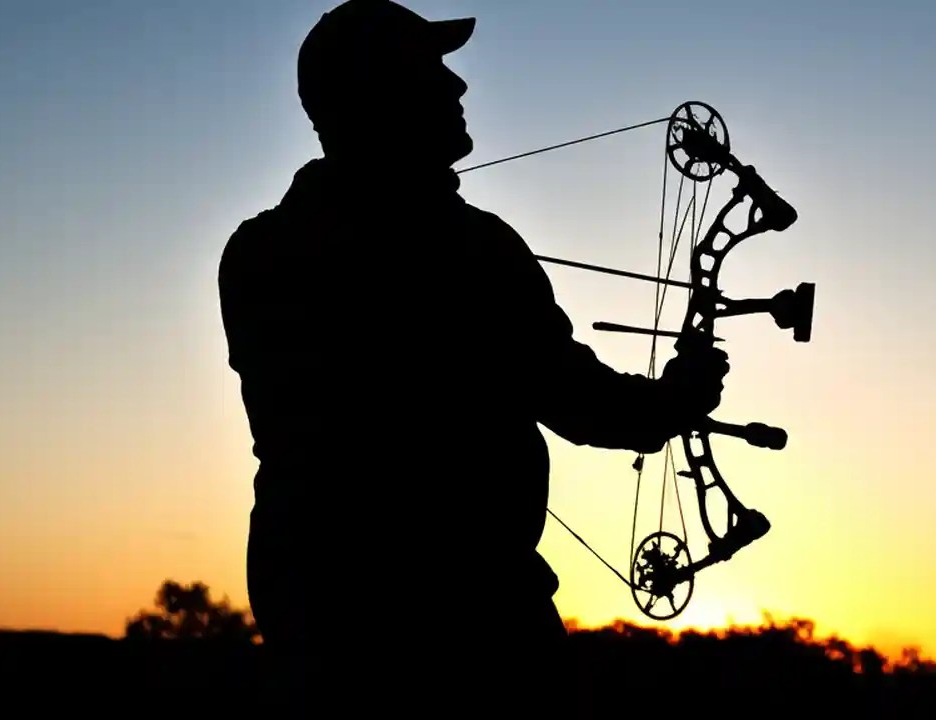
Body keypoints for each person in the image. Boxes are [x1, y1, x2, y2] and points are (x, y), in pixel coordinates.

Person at [217, 0, 730, 713]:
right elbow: (584, 403)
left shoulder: (259, 249)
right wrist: (680, 393)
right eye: (430, 71)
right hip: (466, 618)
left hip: (310, 602)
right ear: (378, 95)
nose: (457, 88)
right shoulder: (467, 249)